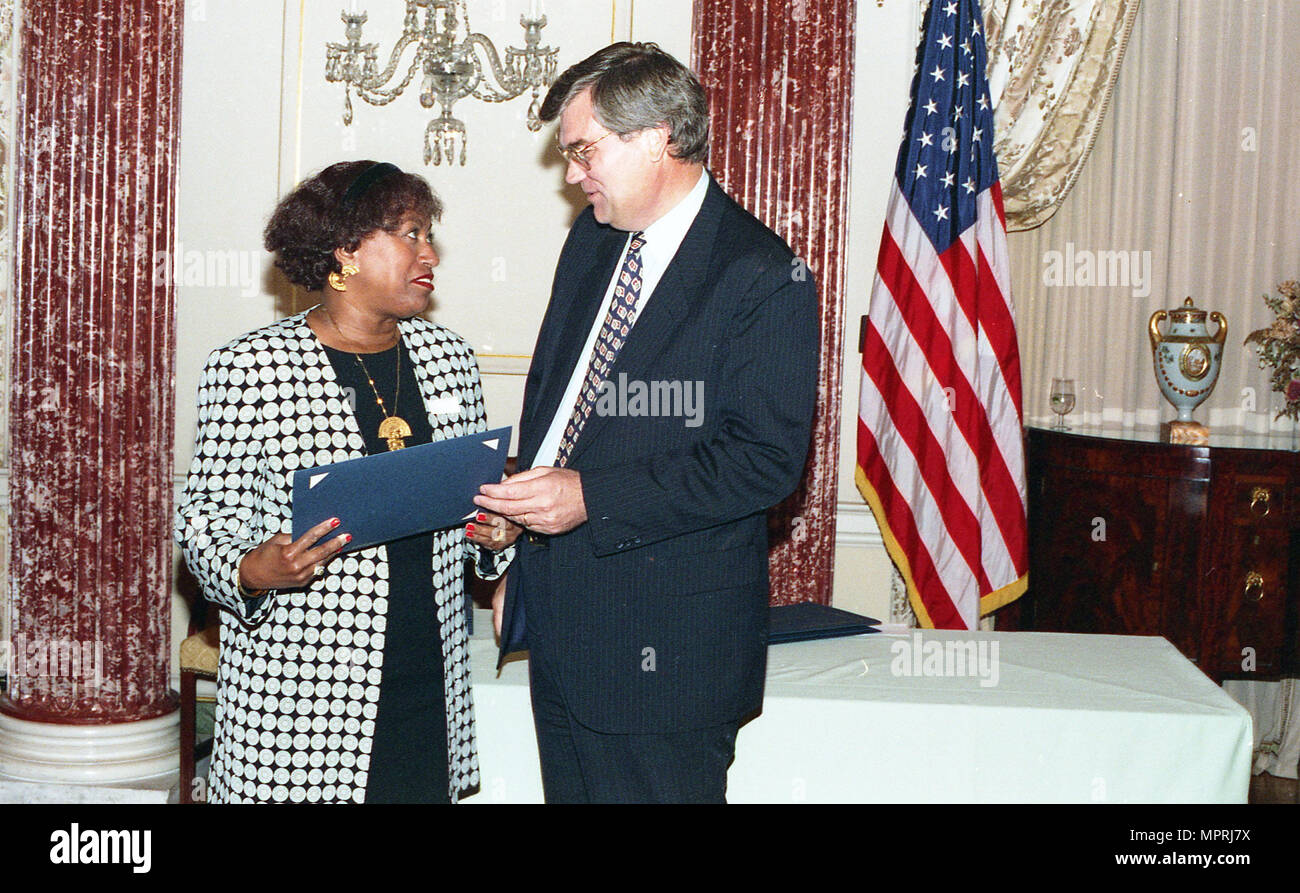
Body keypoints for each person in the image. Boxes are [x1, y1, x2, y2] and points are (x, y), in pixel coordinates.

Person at [475, 43, 819, 803]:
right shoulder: (592, 242)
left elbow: (763, 460)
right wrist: (520, 533)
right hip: (561, 632)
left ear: (659, 136)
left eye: (584, 151)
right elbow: (560, 415)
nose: (572, 175)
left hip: (665, 655)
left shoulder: (762, 274)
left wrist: (589, 496)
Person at [176, 160, 518, 804]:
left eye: (429, 234)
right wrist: (251, 568)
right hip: (301, 693)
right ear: (345, 249)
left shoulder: (449, 358)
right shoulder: (253, 367)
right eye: (410, 234)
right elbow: (203, 521)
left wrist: (494, 536)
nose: (430, 252)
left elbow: (470, 506)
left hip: (426, 672)